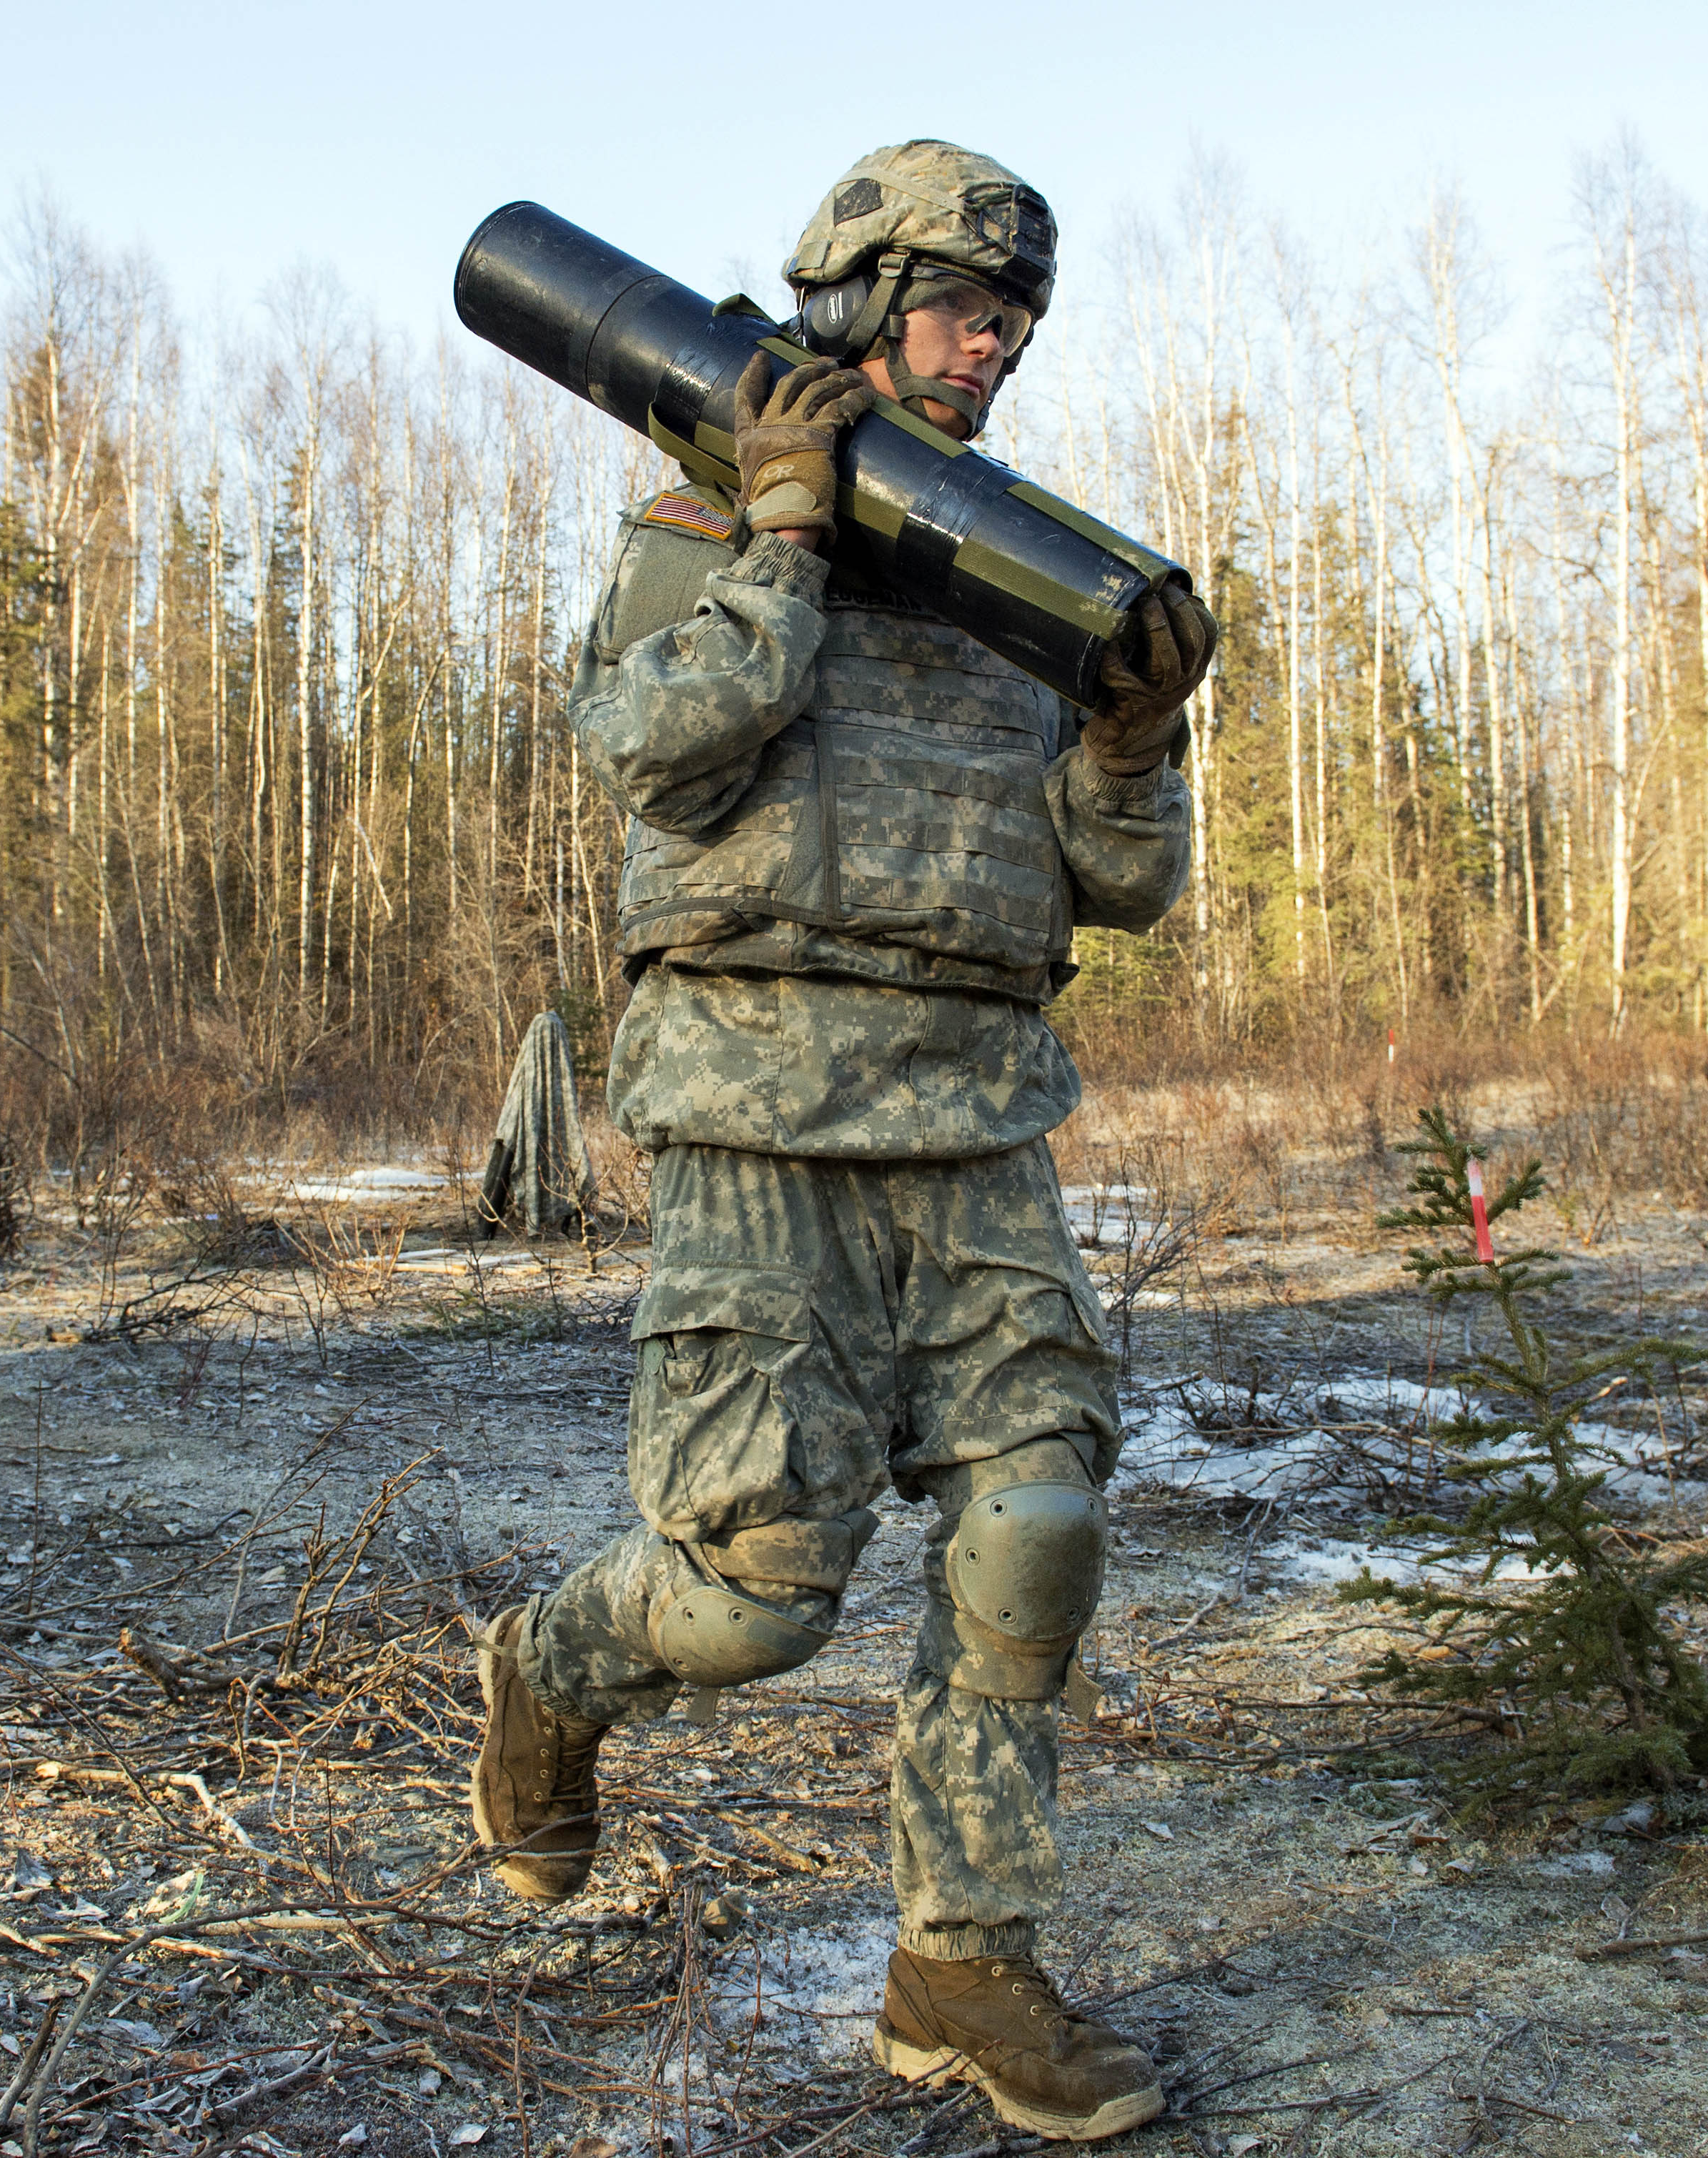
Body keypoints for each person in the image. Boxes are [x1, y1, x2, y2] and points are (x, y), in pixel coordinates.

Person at [467, 143, 1213, 2144]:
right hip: (760, 1109)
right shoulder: (713, 509)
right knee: (751, 1590)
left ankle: (960, 1962)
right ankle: (547, 1671)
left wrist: (1132, 748)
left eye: (1021, 320)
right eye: (970, 306)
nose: (999, 345)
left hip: (978, 1115)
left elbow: (1118, 879)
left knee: (1037, 1521)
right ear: (861, 297)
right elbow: (649, 751)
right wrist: (786, 538)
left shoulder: (1023, 567)